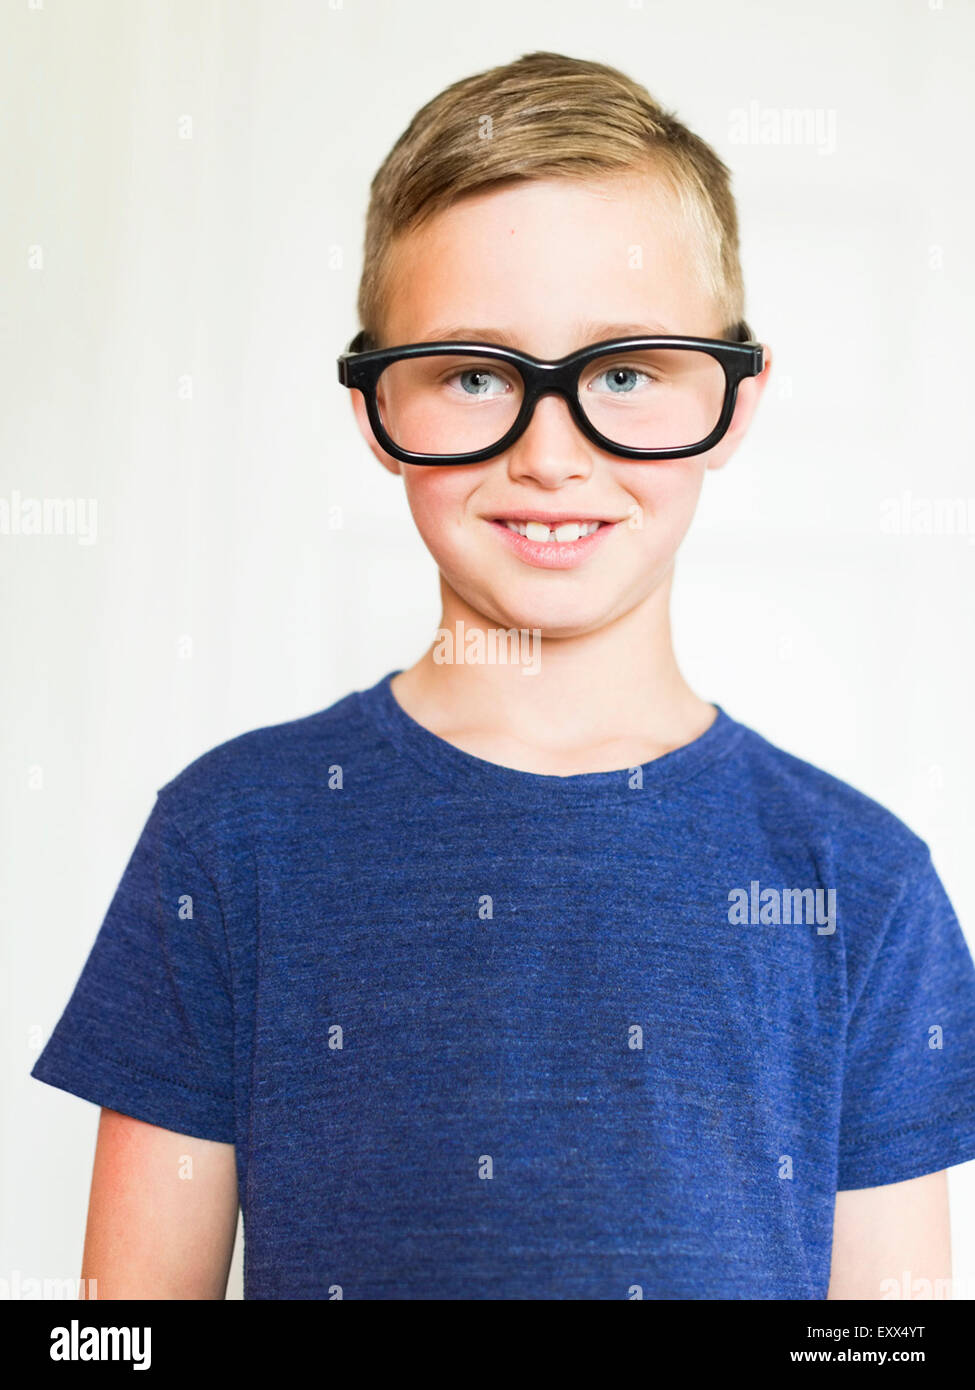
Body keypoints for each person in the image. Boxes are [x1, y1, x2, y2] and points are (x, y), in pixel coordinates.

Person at [32, 50, 975, 1300]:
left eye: (624, 373)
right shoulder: (231, 837)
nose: (549, 453)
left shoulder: (859, 880)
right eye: (475, 374)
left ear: (737, 400)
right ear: (379, 408)